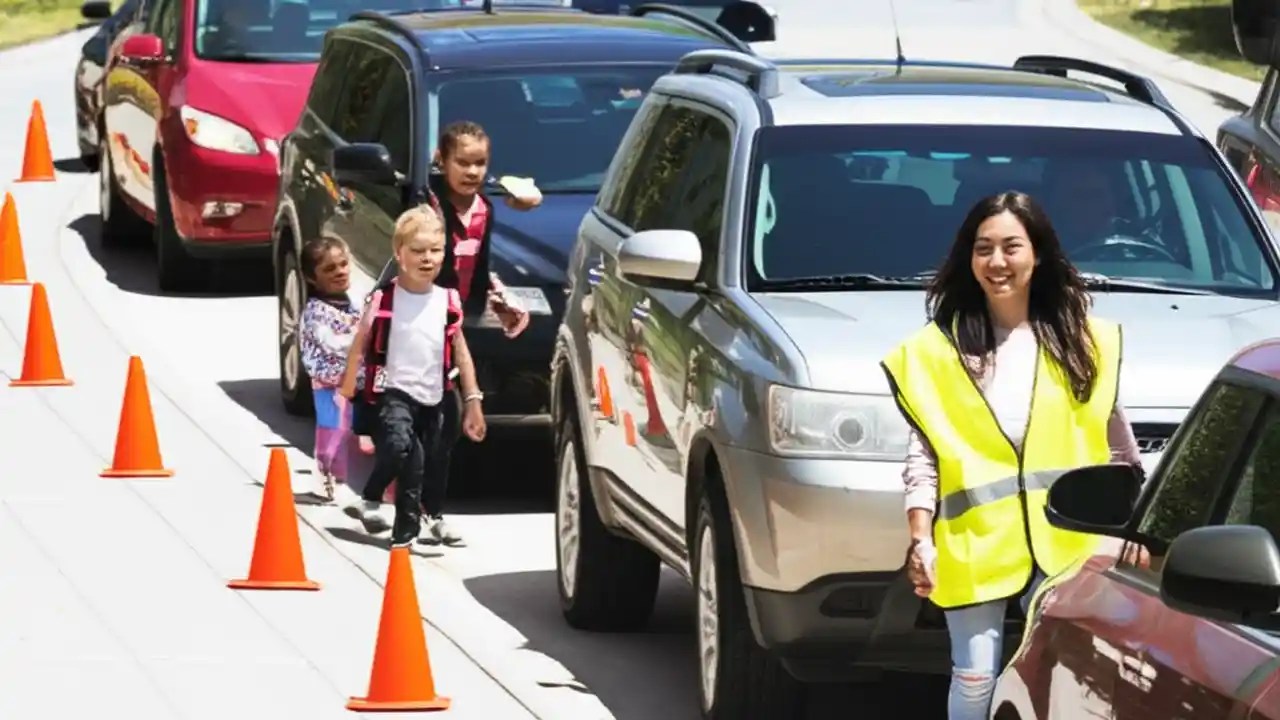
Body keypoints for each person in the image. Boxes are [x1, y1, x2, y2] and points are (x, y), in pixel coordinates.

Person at [879, 191, 1143, 720]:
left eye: (1011, 247)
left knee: (1067, 680)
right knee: (974, 678)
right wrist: (920, 539)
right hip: (977, 542)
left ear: (1037, 253)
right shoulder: (935, 352)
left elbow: (1118, 446)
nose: (997, 262)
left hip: (1067, 540)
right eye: (984, 249)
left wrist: (1138, 528)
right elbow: (923, 459)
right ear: (968, 258)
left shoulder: (1085, 340)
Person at [400, 119, 539, 547]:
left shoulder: (485, 211)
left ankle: (432, 510)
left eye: (481, 163)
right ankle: (409, 510)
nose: (473, 172)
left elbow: (477, 269)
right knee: (420, 424)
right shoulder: (427, 203)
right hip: (418, 321)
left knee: (445, 425)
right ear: (442, 162)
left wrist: (498, 301)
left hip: (455, 324)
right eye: (463, 162)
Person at [338, 205, 487, 548]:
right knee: (403, 449)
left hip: (435, 394)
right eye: (417, 251)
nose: (427, 259)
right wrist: (349, 382)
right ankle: (389, 515)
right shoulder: (383, 299)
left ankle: (417, 524)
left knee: (433, 461)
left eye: (435, 251)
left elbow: (460, 350)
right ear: (399, 254)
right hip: (393, 392)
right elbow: (361, 340)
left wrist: (473, 398)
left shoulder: (447, 301)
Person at [298, 234, 361, 503]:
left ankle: (339, 478)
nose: (340, 272)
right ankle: (323, 477)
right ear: (312, 278)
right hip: (326, 384)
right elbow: (332, 343)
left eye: (343, 264)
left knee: (346, 430)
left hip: (352, 382)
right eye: (329, 269)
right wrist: (361, 337)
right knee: (331, 428)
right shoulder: (315, 311)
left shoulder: (353, 303)